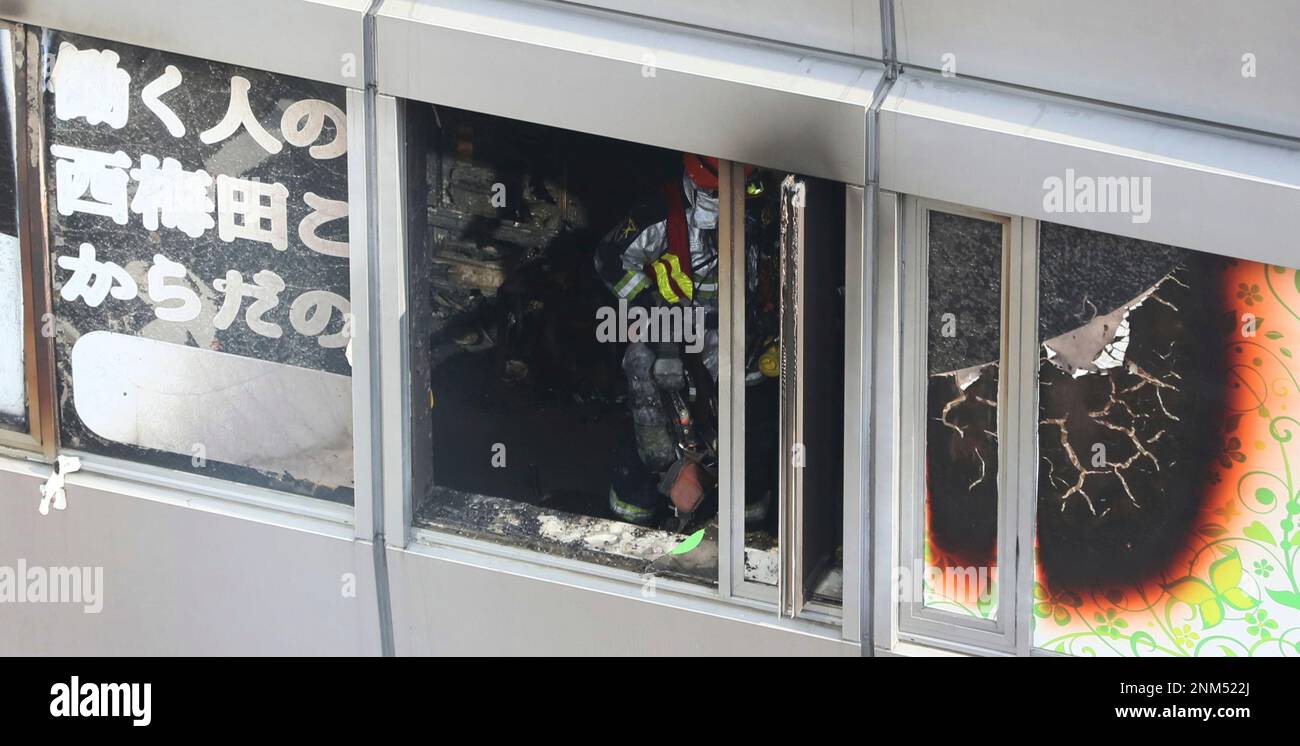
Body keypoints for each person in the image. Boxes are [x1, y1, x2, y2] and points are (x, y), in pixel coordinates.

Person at [595, 154, 764, 527]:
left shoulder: (758, 211)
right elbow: (610, 258)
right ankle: (633, 519)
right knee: (647, 382)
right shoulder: (659, 215)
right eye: (717, 192)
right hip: (673, 329)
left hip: (734, 335)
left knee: (753, 419)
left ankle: (747, 524)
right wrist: (652, 312)